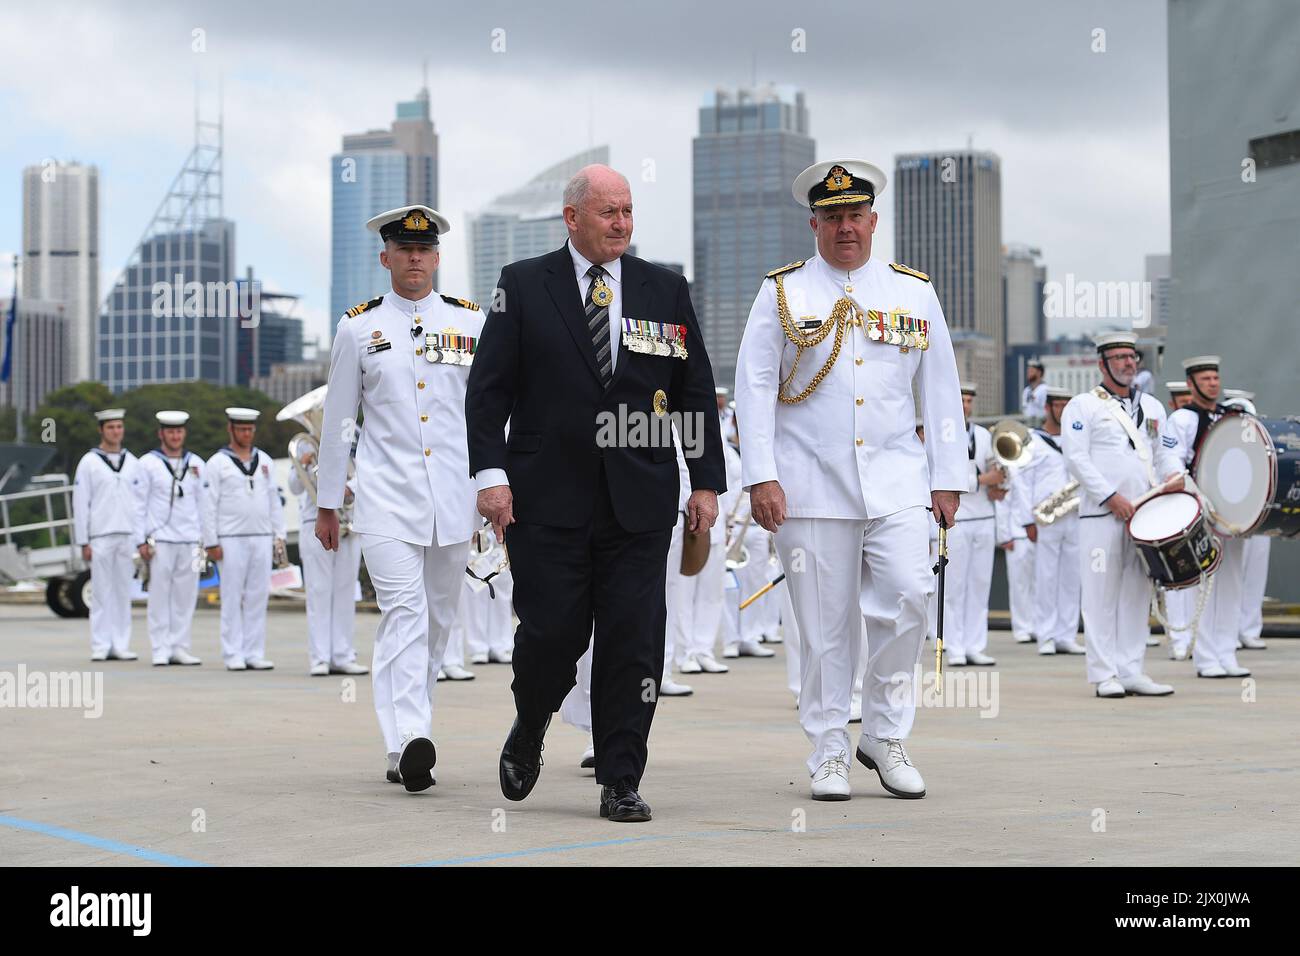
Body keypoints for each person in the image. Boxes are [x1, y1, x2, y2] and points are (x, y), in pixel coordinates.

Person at [466, 163, 725, 823]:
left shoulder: (664, 289)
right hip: (546, 497)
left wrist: (705, 481)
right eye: (608, 212)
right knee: (553, 633)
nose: (621, 224)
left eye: (628, 211)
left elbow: (692, 388)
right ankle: (532, 719)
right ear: (572, 217)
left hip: (639, 498)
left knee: (633, 641)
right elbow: (487, 390)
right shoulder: (523, 286)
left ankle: (620, 777)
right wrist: (490, 477)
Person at [735, 158, 966, 801]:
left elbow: (941, 390)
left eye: (855, 216)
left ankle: (884, 733)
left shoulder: (912, 292)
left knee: (909, 596)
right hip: (808, 483)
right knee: (823, 626)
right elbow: (752, 386)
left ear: (873, 220)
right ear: (815, 223)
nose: (845, 228)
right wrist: (761, 476)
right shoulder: (783, 292)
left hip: (896, 480)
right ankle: (830, 744)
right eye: (832, 217)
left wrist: (948, 478)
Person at [317, 203, 483, 793]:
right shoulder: (358, 326)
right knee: (404, 613)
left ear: (437, 258)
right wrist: (328, 501)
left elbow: (491, 415)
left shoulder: (471, 323)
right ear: (385, 257)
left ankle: (411, 731)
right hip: (385, 498)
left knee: (437, 620)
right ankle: (408, 739)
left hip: (455, 498)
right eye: (403, 250)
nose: (414, 259)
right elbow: (339, 419)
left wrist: (499, 485)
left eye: (424, 250)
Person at [1060, 333, 1183, 698]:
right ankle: (1103, 675)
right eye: (1120, 358)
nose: (1129, 363)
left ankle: (1131, 669)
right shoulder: (1083, 406)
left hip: (1146, 515)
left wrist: (1174, 476)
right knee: (1100, 595)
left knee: (1136, 594)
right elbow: (1076, 459)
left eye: (1132, 357)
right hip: (1102, 516)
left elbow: (1166, 453)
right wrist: (1110, 496)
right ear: (1102, 364)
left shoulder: (1155, 408)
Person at [1163, 356, 1250, 679]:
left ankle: (1227, 653)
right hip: (1203, 511)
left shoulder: (1232, 417)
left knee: (1232, 585)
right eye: (1206, 378)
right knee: (1206, 588)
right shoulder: (1184, 419)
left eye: (1215, 377)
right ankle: (1206, 658)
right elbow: (1172, 461)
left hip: (1233, 514)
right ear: (1191, 384)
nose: (1213, 382)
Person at [202, 408, 287, 672]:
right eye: (241, 429)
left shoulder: (264, 460)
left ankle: (254, 652)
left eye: (250, 429)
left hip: (261, 535)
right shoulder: (217, 462)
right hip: (230, 537)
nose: (246, 434)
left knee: (258, 596)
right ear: (231, 429)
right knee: (231, 595)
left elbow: (274, 499)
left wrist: (279, 534)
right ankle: (232, 653)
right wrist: (211, 541)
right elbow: (208, 504)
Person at [287, 445, 367, 677]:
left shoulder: (356, 435)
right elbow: (294, 486)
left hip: (349, 520)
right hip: (314, 520)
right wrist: (302, 463)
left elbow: (371, 468)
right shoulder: (305, 445)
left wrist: (350, 488)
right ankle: (319, 657)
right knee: (318, 591)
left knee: (345, 591)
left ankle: (342, 655)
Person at [1017, 388, 1085, 655]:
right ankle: (1045, 634)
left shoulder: (1076, 438)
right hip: (1044, 517)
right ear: (1048, 408)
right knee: (1045, 577)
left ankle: (1066, 635)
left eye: (1068, 405)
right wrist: (1026, 520)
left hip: (1074, 513)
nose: (1065, 410)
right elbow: (1022, 483)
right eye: (1060, 405)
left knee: (1071, 578)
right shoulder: (1034, 439)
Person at [134, 410, 205, 666]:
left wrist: (205, 538)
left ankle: (180, 646)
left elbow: (203, 504)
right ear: (161, 434)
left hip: (190, 538)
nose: (175, 436)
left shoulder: (196, 463)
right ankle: (160, 648)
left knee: (186, 597)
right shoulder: (147, 463)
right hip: (160, 539)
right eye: (170, 431)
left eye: (179, 431)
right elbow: (138, 504)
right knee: (159, 596)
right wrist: (140, 539)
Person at [73, 408, 140, 662]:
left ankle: (121, 643)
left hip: (126, 533)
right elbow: (81, 504)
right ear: (101, 430)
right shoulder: (89, 462)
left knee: (124, 591)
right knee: (101, 591)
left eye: (119, 427)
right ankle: (100, 644)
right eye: (111, 427)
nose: (116, 432)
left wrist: (140, 535)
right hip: (100, 534)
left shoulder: (132, 462)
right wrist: (84, 540)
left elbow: (139, 502)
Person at [945, 384, 1001, 667]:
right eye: (962, 400)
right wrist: (980, 480)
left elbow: (996, 474)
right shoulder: (944, 433)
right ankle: (954, 646)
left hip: (984, 517)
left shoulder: (984, 434)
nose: (966, 406)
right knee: (955, 586)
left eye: (969, 401)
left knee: (980, 584)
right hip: (958, 519)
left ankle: (975, 644)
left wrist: (998, 480)